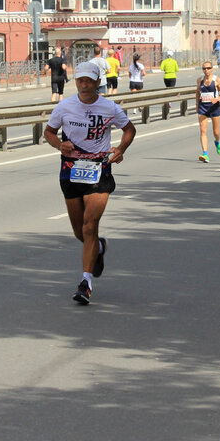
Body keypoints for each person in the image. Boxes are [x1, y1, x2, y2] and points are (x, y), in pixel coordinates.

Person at [43, 61, 136, 305]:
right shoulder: (65, 106)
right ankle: (98, 249)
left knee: (89, 225)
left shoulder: (109, 107)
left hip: (99, 171)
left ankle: (85, 282)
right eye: (80, 80)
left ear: (97, 83)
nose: (84, 85)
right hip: (70, 170)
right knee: (79, 232)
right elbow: (49, 132)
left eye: (88, 80)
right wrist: (58, 144)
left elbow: (129, 129)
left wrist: (121, 149)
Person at [196, 61, 220, 162]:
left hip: (214, 107)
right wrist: (197, 104)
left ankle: (217, 142)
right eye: (204, 68)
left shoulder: (217, 80)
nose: (206, 70)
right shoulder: (200, 80)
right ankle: (205, 154)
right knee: (203, 130)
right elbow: (197, 92)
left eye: (208, 68)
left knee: (216, 132)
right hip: (203, 107)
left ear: (212, 69)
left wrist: (217, 99)